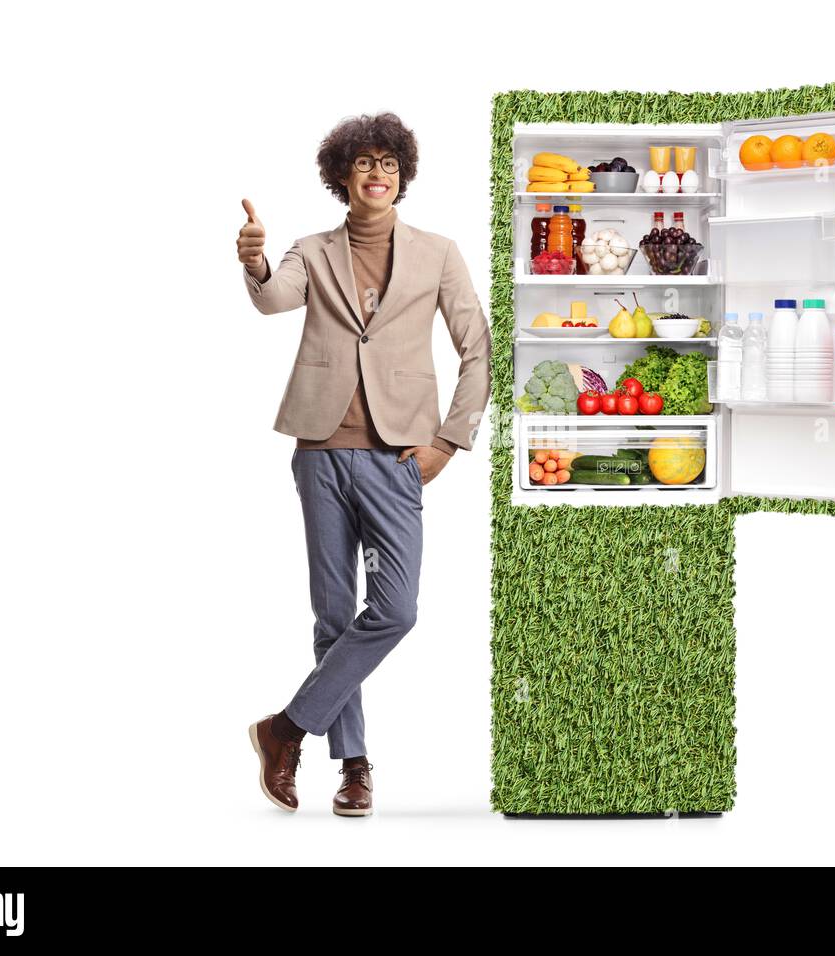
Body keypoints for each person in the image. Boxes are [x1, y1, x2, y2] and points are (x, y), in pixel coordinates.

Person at [237, 112, 491, 816]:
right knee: (332, 614)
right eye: (363, 164)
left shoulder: (438, 253)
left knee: (395, 610)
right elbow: (274, 299)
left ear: (402, 175)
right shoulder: (311, 250)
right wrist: (254, 261)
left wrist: (449, 441)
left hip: (398, 455)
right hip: (320, 452)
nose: (378, 173)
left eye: (389, 163)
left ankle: (285, 728)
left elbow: (479, 348)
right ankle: (353, 767)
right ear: (342, 178)